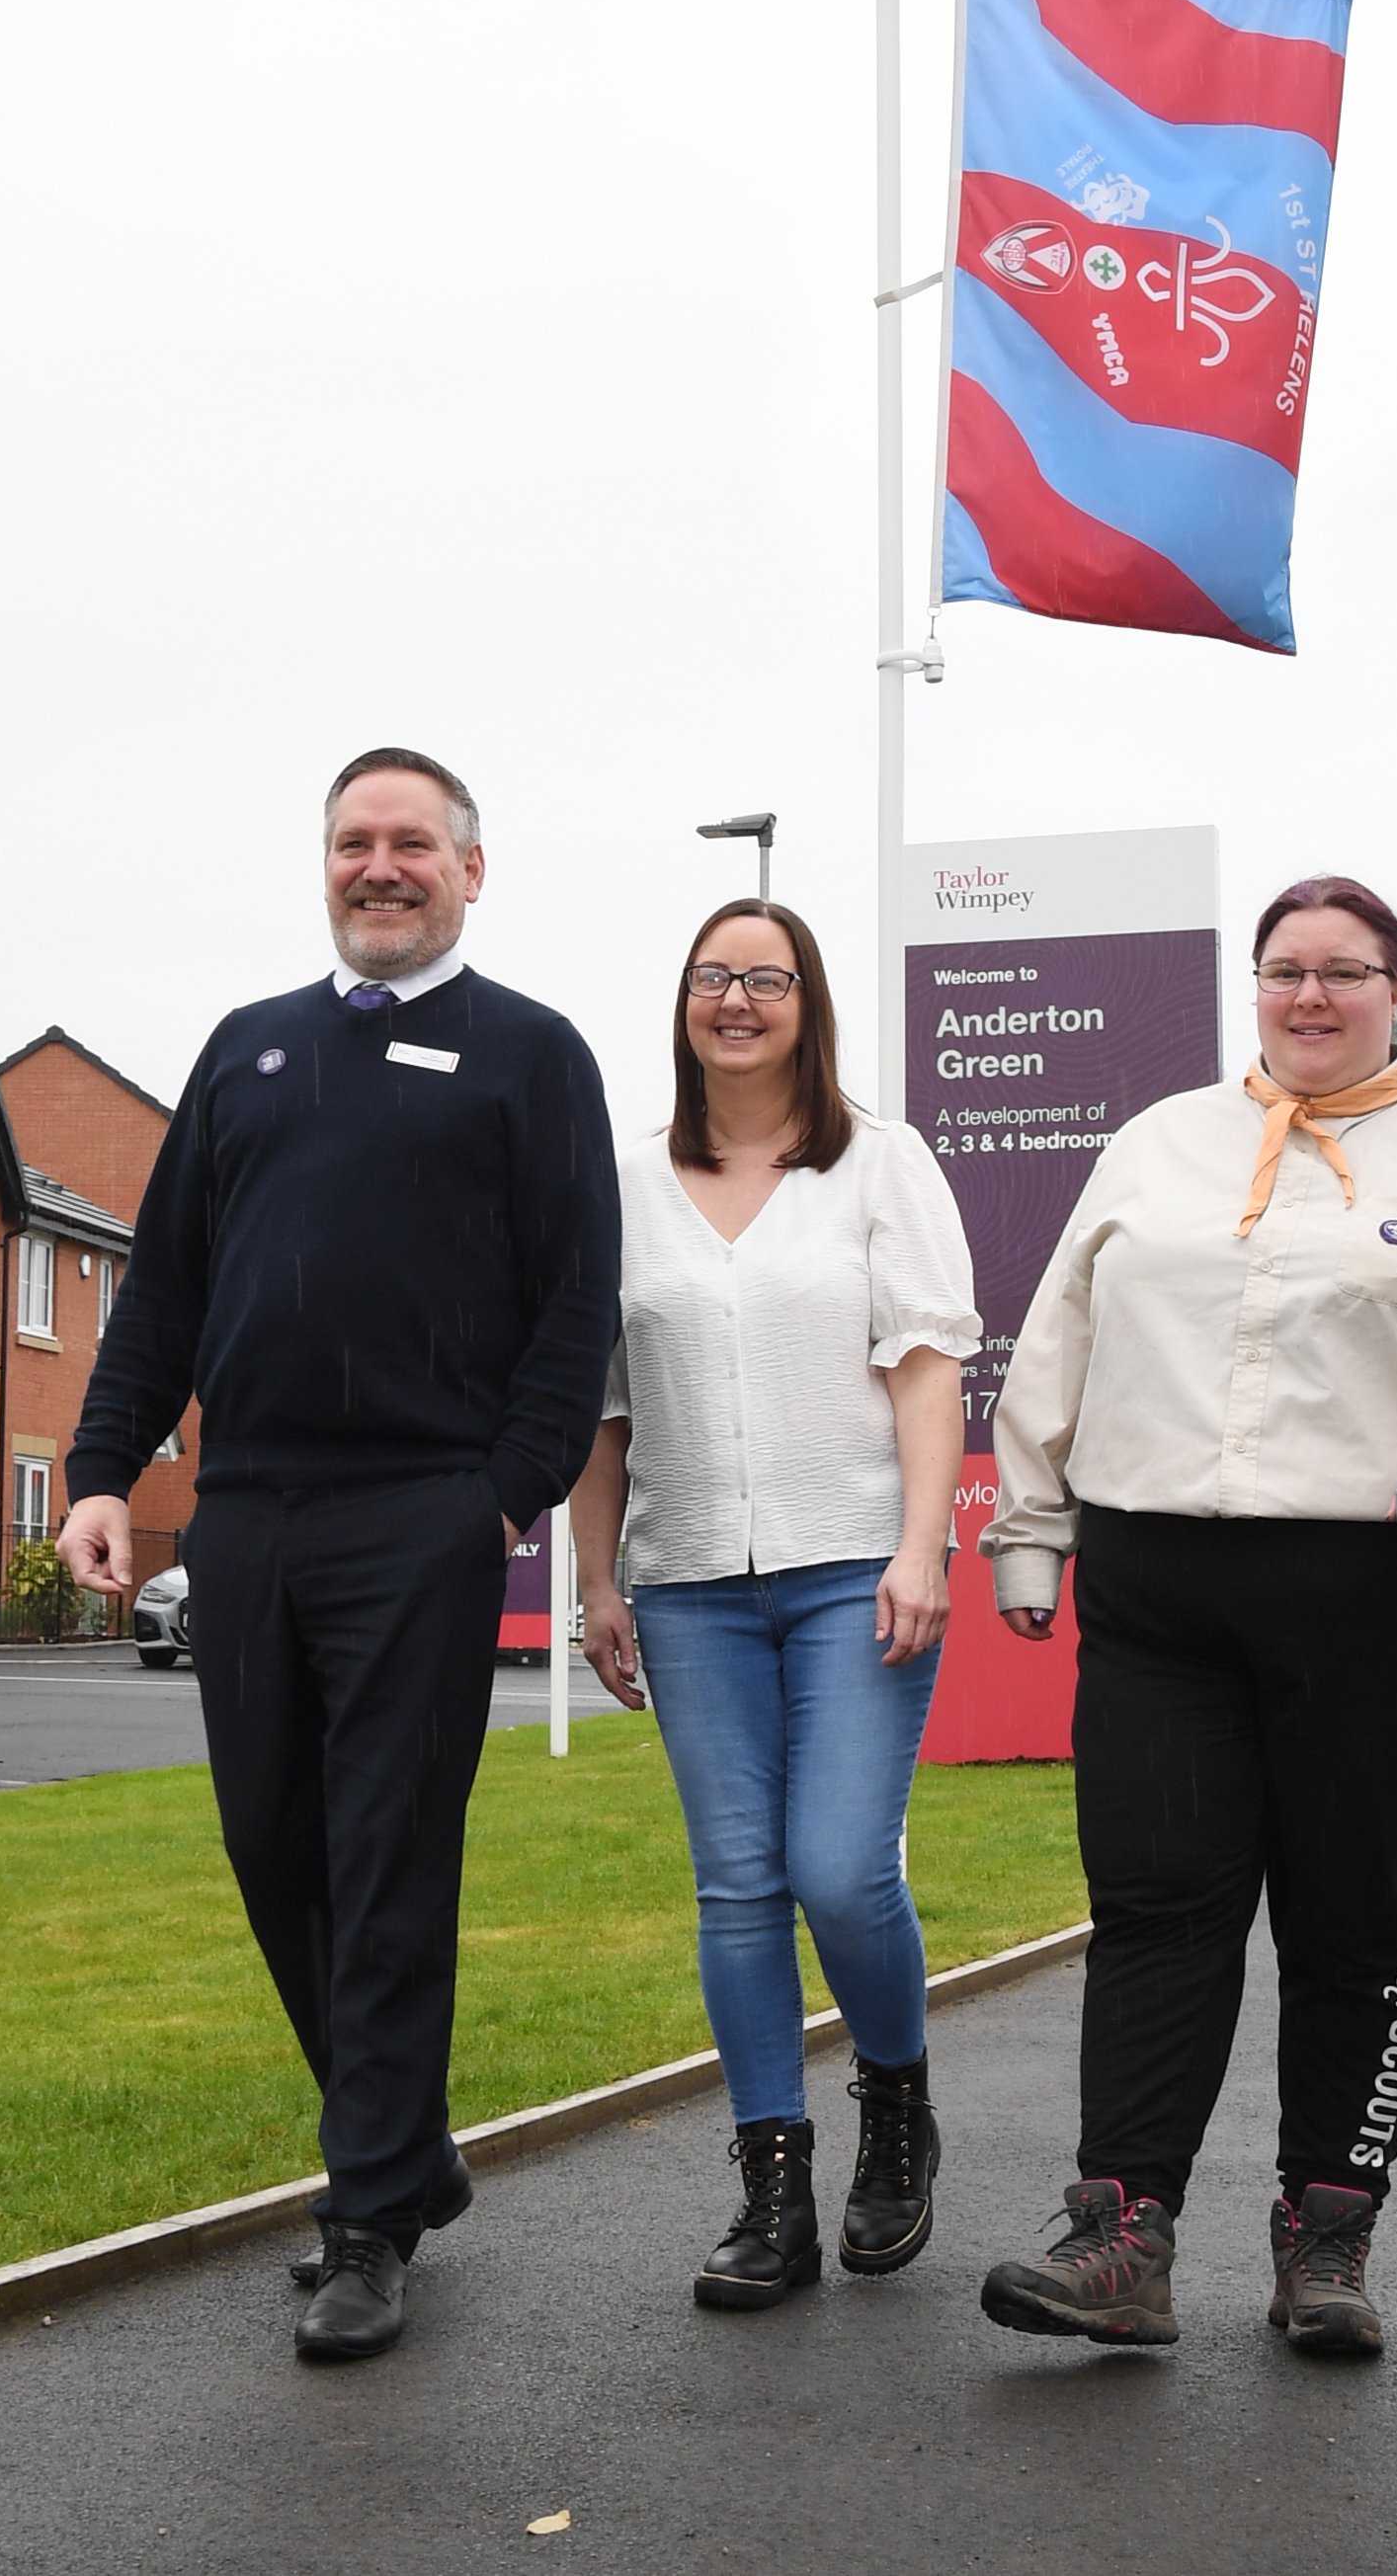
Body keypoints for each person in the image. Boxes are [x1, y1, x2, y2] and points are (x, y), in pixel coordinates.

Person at [60, 748, 620, 2364]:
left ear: (471, 868)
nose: (382, 866)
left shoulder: (532, 1053)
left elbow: (575, 1301)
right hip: (250, 1515)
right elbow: (164, 1286)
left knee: (387, 1856)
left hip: (422, 1515)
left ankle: (369, 2210)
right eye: (354, 841)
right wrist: (102, 1470)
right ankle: (409, 2145)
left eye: (412, 843)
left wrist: (498, 1499)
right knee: (274, 1846)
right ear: (325, 865)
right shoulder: (248, 1048)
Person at [973, 875, 1397, 2357]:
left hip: (1376, 1584)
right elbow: (1060, 1333)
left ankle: (1327, 2239)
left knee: (1360, 1922)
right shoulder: (1161, 1141)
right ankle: (1122, 2236)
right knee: (1157, 1906)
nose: (1310, 996)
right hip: (1160, 1582)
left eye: (1344, 972)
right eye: (1285, 970)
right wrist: (1029, 1533)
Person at [564, 899, 979, 2311]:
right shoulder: (624, 1181)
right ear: (684, 1001)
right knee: (737, 1884)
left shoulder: (879, 1162)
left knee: (840, 1868)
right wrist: (599, 1577)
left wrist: (923, 1546)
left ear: (809, 1005)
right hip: (690, 1584)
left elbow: (928, 1365)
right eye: (712, 976)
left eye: (767, 977)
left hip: (855, 1563)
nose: (736, 998)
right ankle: (773, 2188)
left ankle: (898, 2103)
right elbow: (604, 1404)